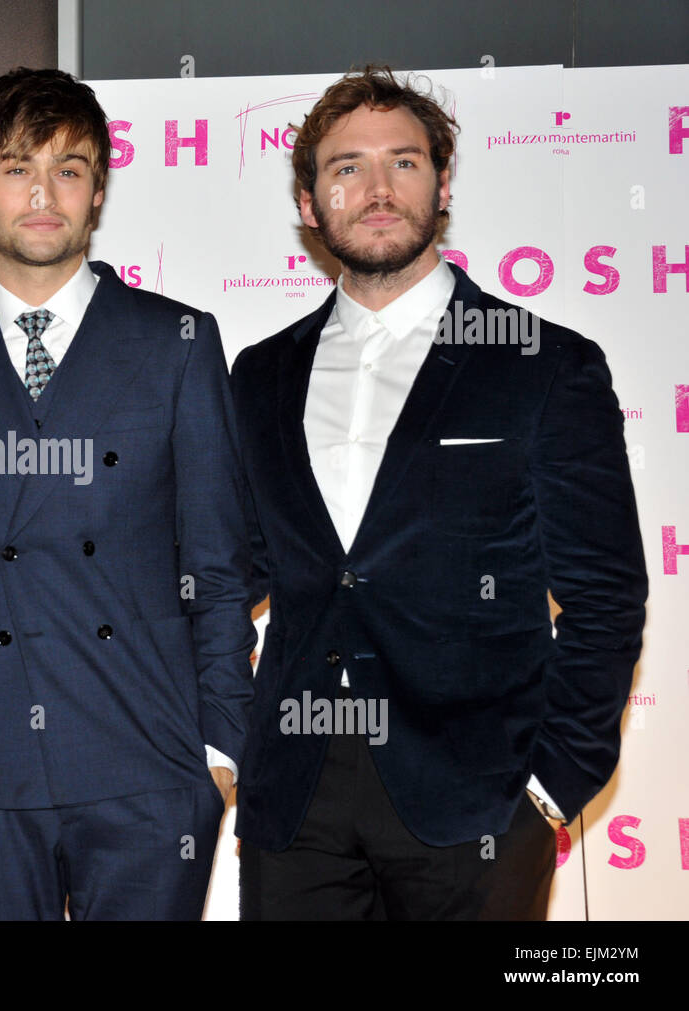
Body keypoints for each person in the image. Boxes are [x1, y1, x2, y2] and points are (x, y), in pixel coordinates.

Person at [230, 65, 647, 920]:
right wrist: (228, 739)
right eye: (347, 167)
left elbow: (606, 597)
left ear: (443, 184)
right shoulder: (260, 373)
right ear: (311, 205)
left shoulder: (545, 363)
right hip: (294, 801)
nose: (378, 188)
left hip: (476, 806)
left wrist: (547, 787)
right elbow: (231, 572)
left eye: (405, 162)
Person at [0, 67, 255, 920]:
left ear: (99, 189)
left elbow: (219, 562)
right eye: (15, 167)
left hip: (148, 762)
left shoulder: (177, 341)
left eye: (69, 169)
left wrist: (220, 748)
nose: (44, 193)